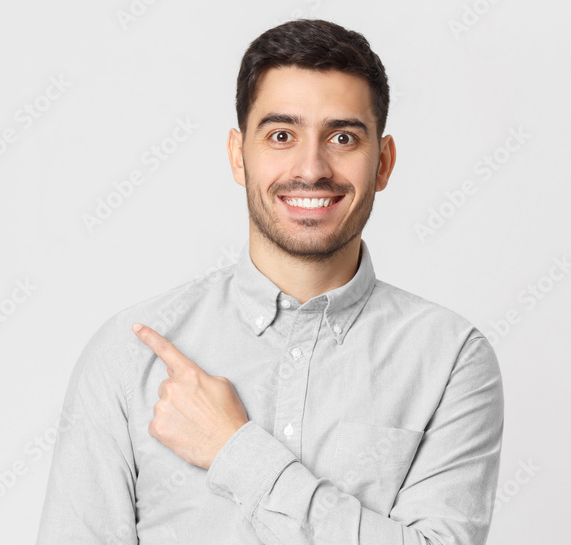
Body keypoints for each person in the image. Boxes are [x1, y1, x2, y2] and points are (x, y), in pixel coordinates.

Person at [35, 18, 504, 545]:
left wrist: (235, 451)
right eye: (281, 135)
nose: (312, 167)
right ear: (239, 155)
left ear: (383, 163)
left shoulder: (451, 359)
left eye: (343, 137)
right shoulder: (127, 355)